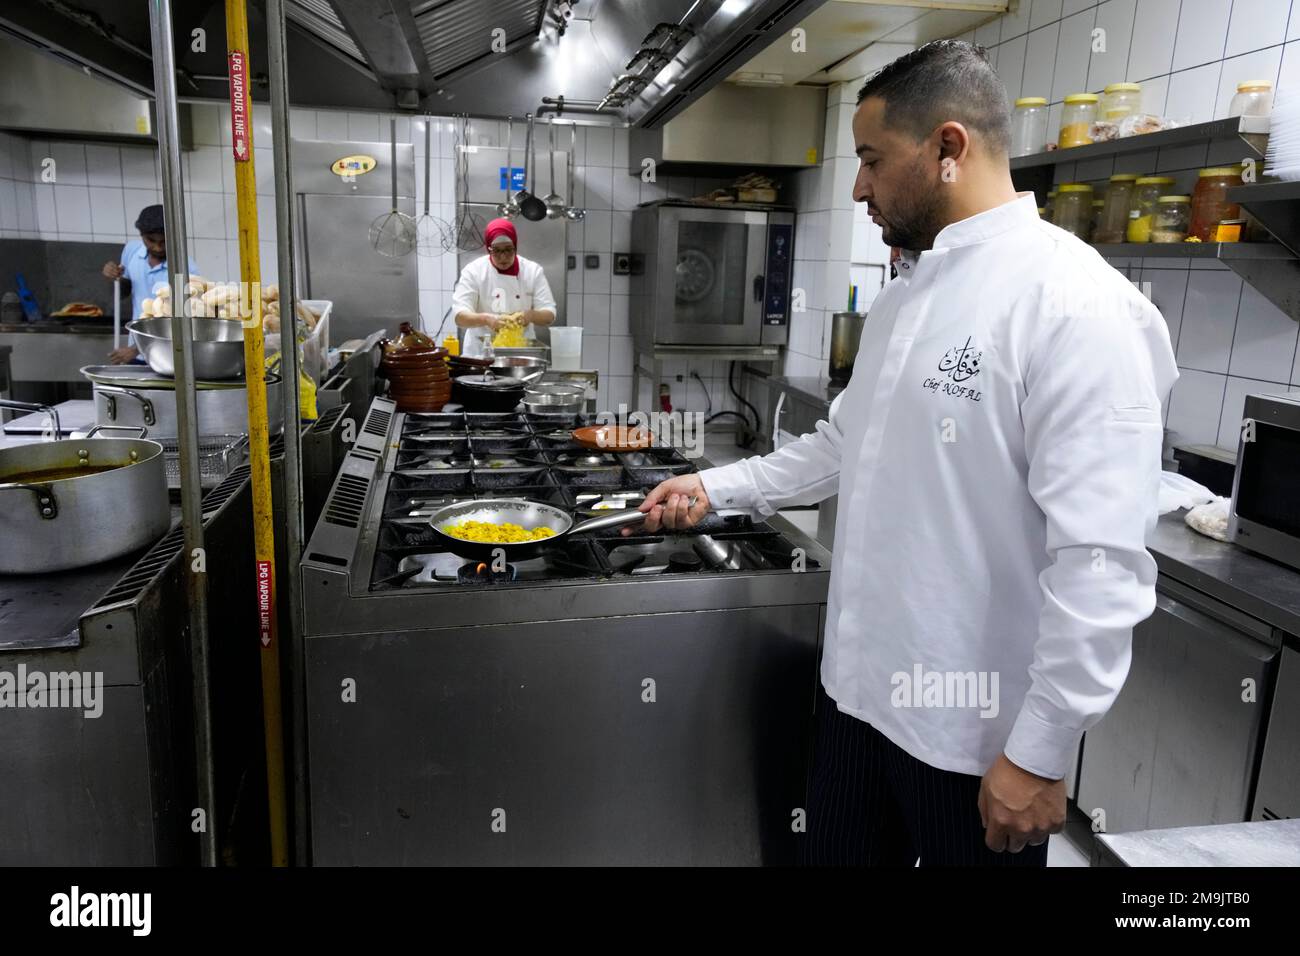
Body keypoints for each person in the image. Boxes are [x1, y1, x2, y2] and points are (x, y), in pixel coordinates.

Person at [634, 40, 1178, 866]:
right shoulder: (906, 298)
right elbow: (843, 446)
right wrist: (717, 485)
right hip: (856, 699)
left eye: (871, 160)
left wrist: (1039, 750)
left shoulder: (1076, 305)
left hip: (973, 738)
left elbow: (1101, 564)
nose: (858, 186)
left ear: (948, 149)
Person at [101, 204, 200, 364]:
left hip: (167, 356)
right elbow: (126, 291)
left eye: (163, 241)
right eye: (151, 240)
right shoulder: (131, 251)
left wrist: (135, 349)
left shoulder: (186, 269)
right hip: (135, 351)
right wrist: (114, 276)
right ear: (142, 236)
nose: (157, 247)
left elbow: (182, 322)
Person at [450, 218, 556, 358]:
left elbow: (549, 315)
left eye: (508, 250)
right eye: (496, 251)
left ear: (515, 247)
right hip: (480, 354)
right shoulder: (474, 271)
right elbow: (459, 316)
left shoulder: (532, 271)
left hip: (521, 356)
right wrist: (486, 319)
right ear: (488, 249)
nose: (503, 257)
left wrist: (529, 315)